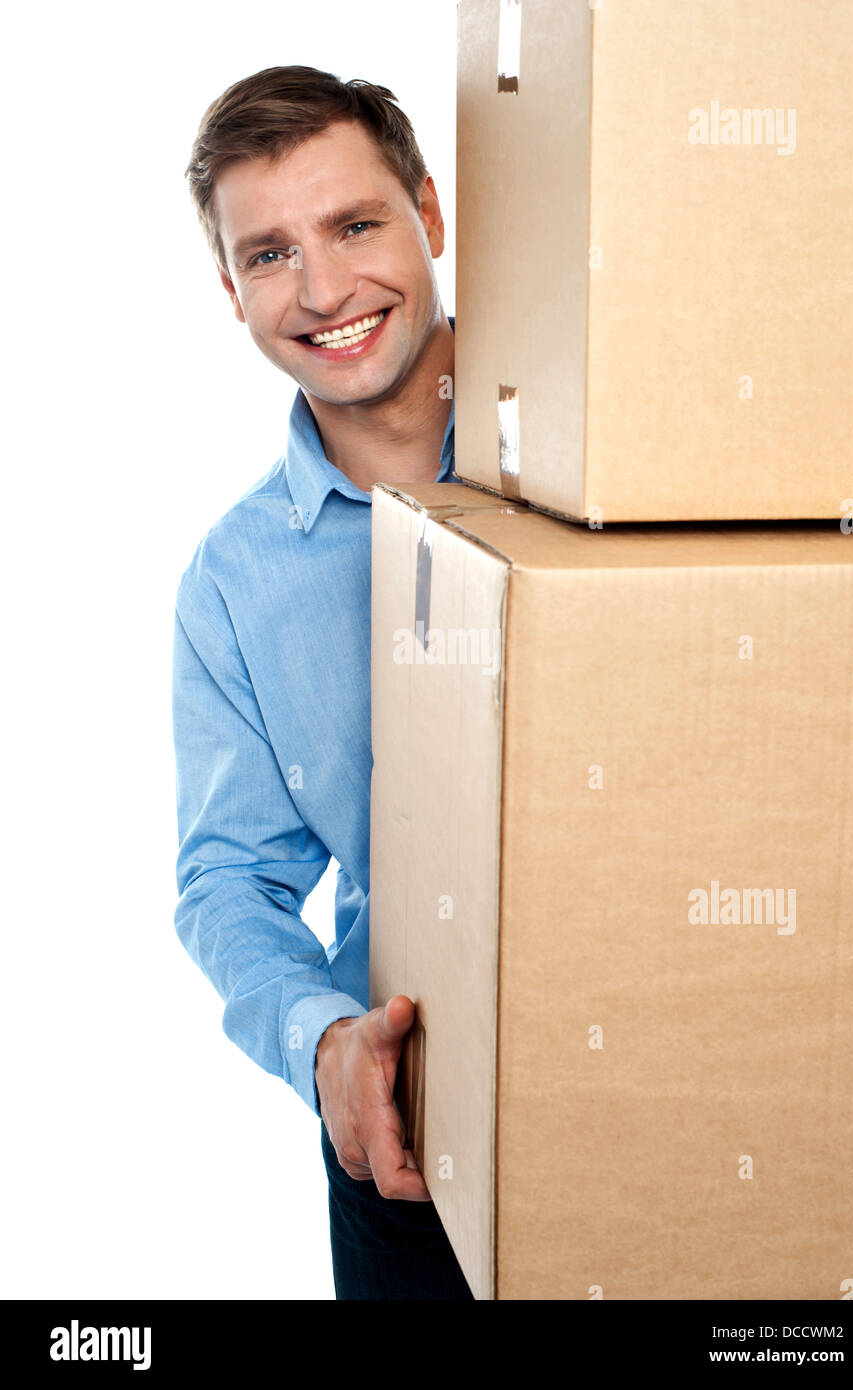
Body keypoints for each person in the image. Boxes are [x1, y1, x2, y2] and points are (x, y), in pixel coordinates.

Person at [173, 65, 473, 1300]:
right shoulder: (236, 583)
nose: (326, 290)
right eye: (270, 254)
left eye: (355, 225)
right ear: (232, 289)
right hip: (404, 1132)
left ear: (431, 214)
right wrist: (325, 1047)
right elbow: (228, 878)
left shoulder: (614, 450)